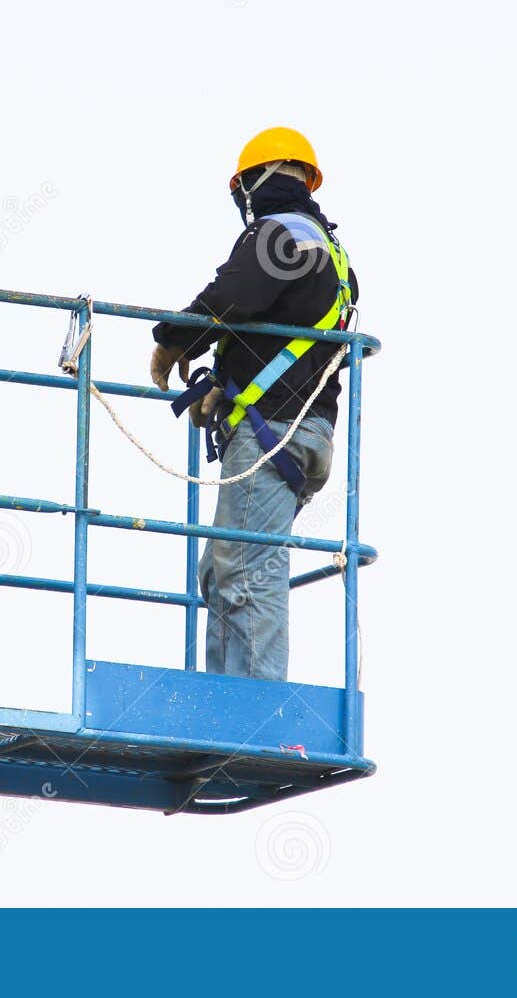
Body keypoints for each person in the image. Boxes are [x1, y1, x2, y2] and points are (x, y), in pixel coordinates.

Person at [149, 127, 359, 682]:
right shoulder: (332, 251)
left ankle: (251, 706)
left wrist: (173, 341)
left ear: (253, 181)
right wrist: (227, 377)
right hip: (305, 432)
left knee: (245, 571)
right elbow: (279, 332)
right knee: (224, 570)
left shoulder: (278, 235)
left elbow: (229, 298)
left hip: (275, 433)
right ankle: (227, 694)